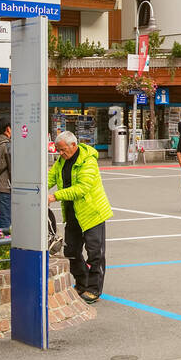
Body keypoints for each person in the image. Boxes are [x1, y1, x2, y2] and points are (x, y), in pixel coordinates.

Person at [49, 130, 112, 303]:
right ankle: (83, 281)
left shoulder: (88, 161)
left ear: (73, 145)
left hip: (92, 213)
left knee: (95, 253)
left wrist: (54, 196)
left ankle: (94, 289)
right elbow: (49, 178)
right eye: (58, 150)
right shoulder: (61, 162)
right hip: (72, 214)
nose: (60, 154)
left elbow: (82, 188)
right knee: (71, 251)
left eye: (63, 150)